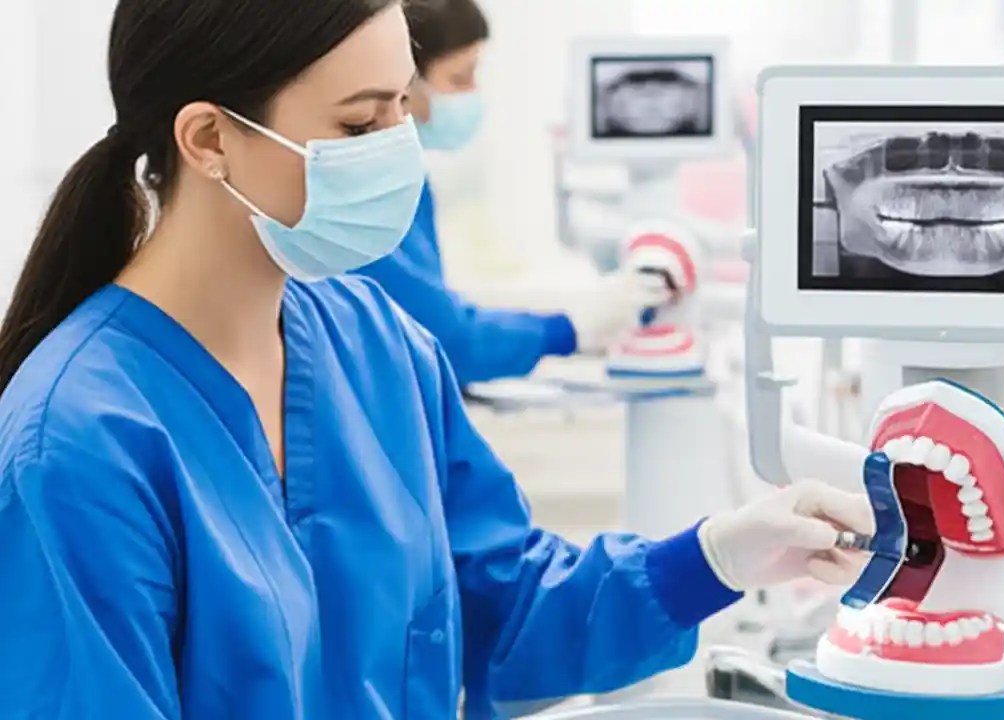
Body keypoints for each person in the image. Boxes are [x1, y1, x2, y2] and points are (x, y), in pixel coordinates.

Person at [0, 2, 874, 718]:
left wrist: (715, 557)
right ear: (208, 138)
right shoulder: (79, 441)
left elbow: (505, 612)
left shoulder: (376, 348)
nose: (397, 152)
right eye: (360, 122)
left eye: (403, 111)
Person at [354, 0, 660, 386]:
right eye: (460, 77)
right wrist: (571, 328)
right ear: (403, 86)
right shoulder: (365, 195)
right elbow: (445, 339)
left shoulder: (406, 182)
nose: (472, 94)